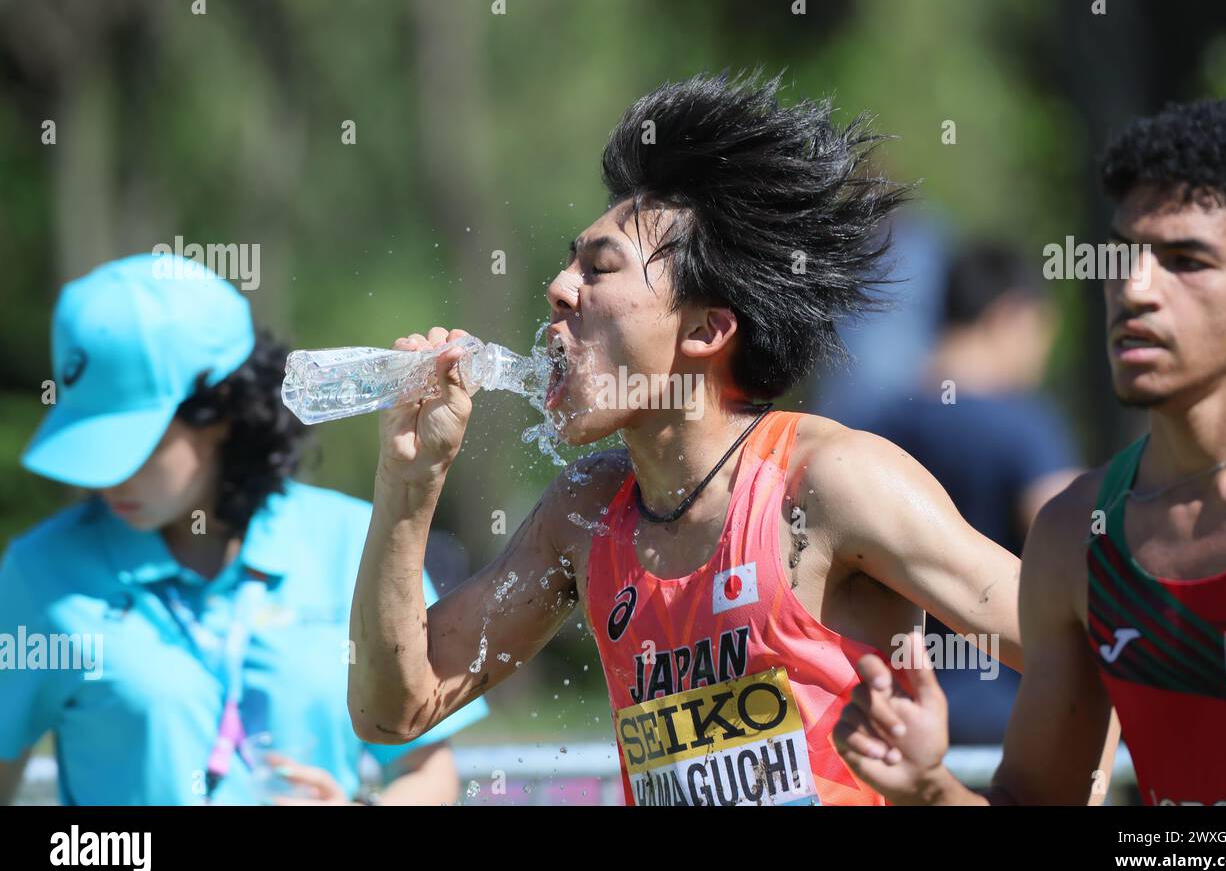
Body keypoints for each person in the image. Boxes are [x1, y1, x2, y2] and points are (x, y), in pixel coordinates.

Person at [347, 71, 1024, 807]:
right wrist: (407, 489)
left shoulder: (829, 484)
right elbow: (394, 711)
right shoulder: (585, 512)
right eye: (570, 262)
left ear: (706, 330)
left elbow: (1074, 643)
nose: (558, 287)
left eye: (599, 269)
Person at [834, 99, 1226, 806]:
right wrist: (930, 789)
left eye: (1185, 260)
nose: (1135, 290)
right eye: (1124, 256)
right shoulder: (1077, 535)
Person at [0, 254, 486, 806]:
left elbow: (426, 769)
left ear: (223, 411)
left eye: (136, 443)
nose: (107, 472)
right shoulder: (41, 575)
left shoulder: (359, 543)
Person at [866, 242, 1079, 744]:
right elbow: (1074, 550)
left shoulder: (871, 430)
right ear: (1011, 316)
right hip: (1011, 722)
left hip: (899, 718)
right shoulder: (1024, 425)